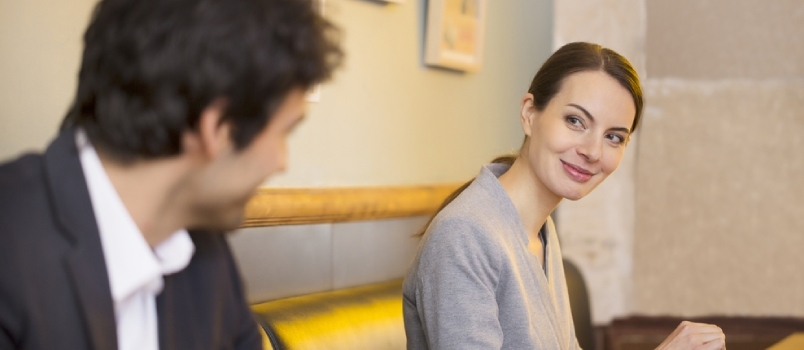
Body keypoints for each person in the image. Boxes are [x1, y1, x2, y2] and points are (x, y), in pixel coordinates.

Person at [0, 0, 342, 349]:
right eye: (285, 132)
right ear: (219, 128)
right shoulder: (11, 251)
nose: (282, 162)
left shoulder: (208, 260)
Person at [403, 42, 726, 350]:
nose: (593, 151)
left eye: (614, 137)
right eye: (575, 121)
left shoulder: (539, 231)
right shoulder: (465, 234)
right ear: (530, 113)